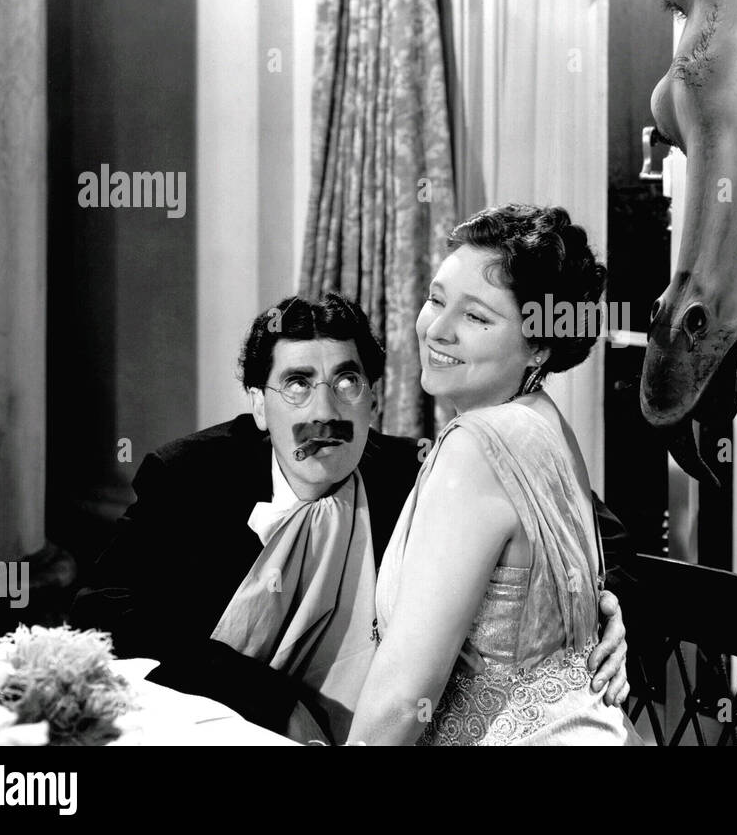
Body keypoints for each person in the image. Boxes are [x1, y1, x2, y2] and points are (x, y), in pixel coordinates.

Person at [71, 293, 634, 744]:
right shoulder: (188, 475)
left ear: (373, 400)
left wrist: (605, 602)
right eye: (296, 385)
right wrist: (272, 701)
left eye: (347, 383)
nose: (325, 411)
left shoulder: (422, 470)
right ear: (259, 406)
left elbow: (596, 527)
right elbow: (101, 611)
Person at [348, 204, 643, 745]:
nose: (437, 329)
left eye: (477, 317)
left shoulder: (479, 446)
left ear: (540, 345)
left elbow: (399, 702)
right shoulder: (546, 424)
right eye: (436, 299)